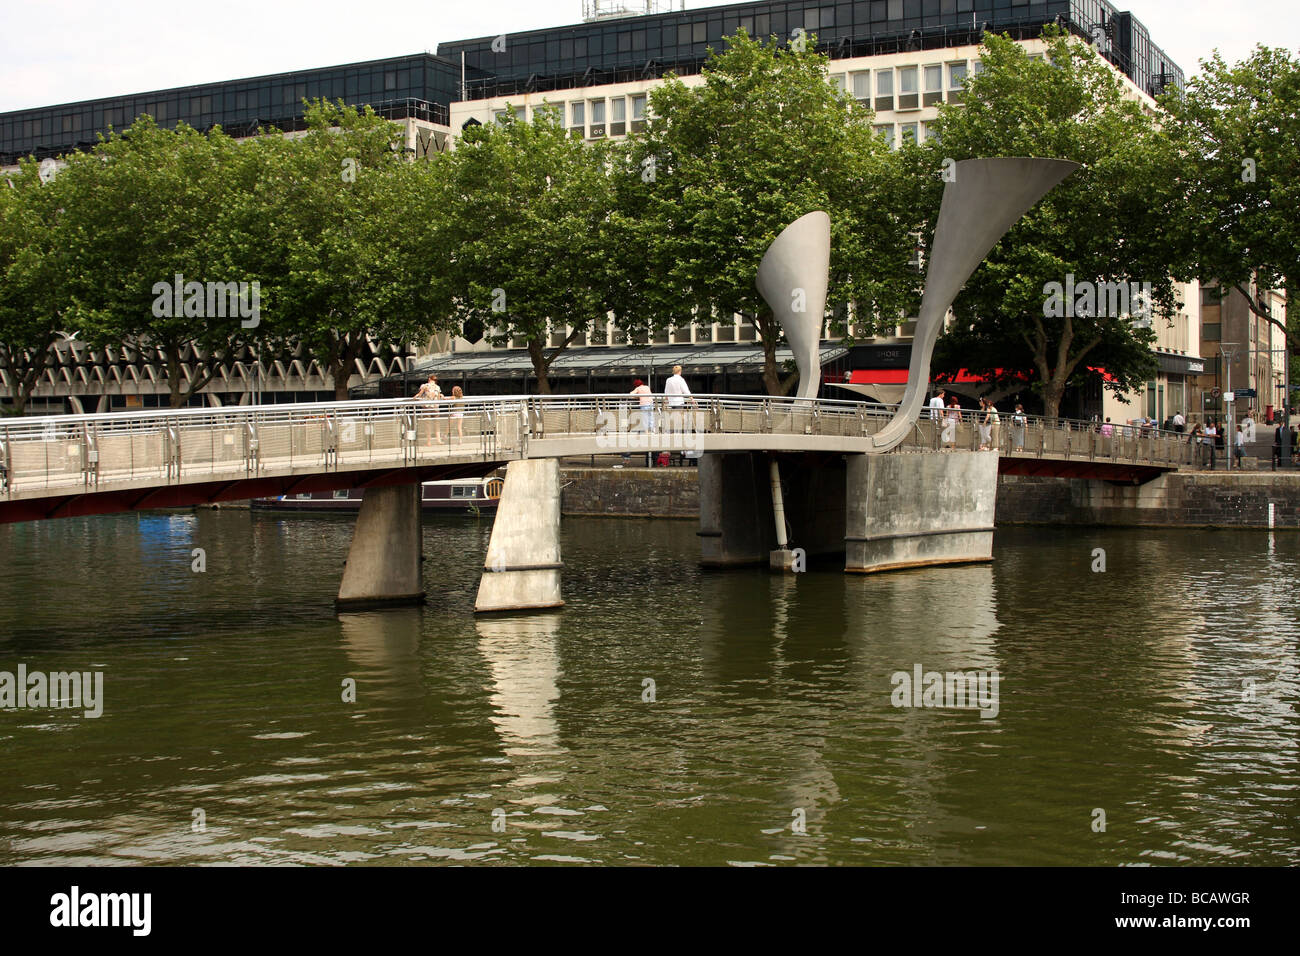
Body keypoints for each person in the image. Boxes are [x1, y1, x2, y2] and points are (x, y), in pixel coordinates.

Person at [415, 373, 444, 444]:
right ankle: (438, 440)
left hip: (426, 407)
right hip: (435, 407)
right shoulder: (437, 387)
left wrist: (414, 398)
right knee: (437, 424)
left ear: (429, 379)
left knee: (428, 424)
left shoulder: (424, 386)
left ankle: (429, 441)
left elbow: (420, 394)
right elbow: (439, 398)